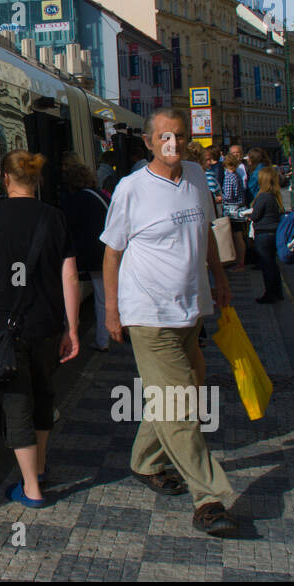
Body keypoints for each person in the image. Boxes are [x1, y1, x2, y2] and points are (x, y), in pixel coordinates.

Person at [101, 108, 236, 537]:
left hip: (190, 310)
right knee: (179, 406)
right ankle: (209, 497)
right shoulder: (132, 188)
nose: (172, 144)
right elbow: (112, 253)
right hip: (148, 313)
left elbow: (208, 234)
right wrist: (111, 310)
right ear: (149, 142)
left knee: (181, 391)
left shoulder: (197, 176)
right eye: (164, 137)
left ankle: (145, 461)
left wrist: (219, 278)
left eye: (178, 136)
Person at [0, 151, 80, 508]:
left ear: (5, 179)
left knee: (16, 403)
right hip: (46, 324)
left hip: (2, 327)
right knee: (43, 394)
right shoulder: (54, 218)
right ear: (37, 180)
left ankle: (31, 488)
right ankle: (39, 467)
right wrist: (72, 328)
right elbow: (69, 275)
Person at [61, 153, 109, 352]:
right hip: (102, 252)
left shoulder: (76, 199)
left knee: (71, 295)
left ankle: (70, 332)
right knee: (101, 299)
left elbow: (67, 226)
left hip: (84, 254)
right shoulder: (98, 195)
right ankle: (102, 340)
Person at [249, 164, 283, 303]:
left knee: (266, 265)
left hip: (263, 233)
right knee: (272, 264)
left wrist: (249, 215)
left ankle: (270, 293)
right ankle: (278, 291)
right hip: (273, 232)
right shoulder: (275, 196)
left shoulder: (263, 196)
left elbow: (256, 215)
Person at [221, 150, 248, 270]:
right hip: (239, 209)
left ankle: (238, 261)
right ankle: (241, 260)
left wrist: (219, 197)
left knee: (236, 237)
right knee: (239, 236)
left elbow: (229, 195)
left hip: (232, 210)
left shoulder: (229, 176)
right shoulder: (237, 175)